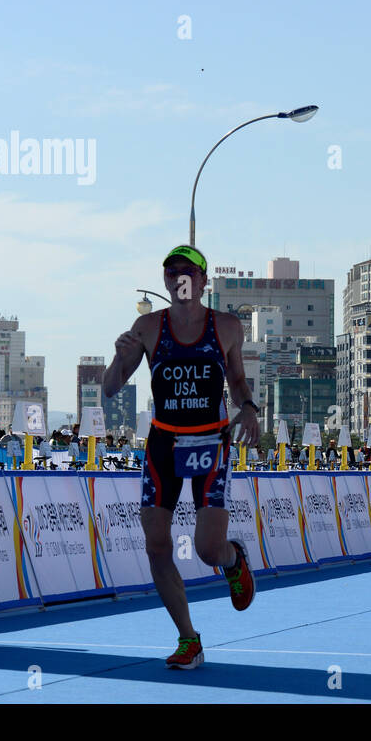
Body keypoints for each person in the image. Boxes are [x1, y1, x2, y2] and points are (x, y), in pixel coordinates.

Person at [103, 244, 261, 670]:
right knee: (157, 544)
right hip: (163, 444)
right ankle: (188, 638)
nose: (179, 277)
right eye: (171, 271)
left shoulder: (226, 327)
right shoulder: (148, 327)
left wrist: (249, 409)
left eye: (187, 270)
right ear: (166, 281)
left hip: (210, 442)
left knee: (207, 549)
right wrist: (118, 360)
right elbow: (111, 387)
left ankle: (232, 558)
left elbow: (238, 379)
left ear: (203, 280)